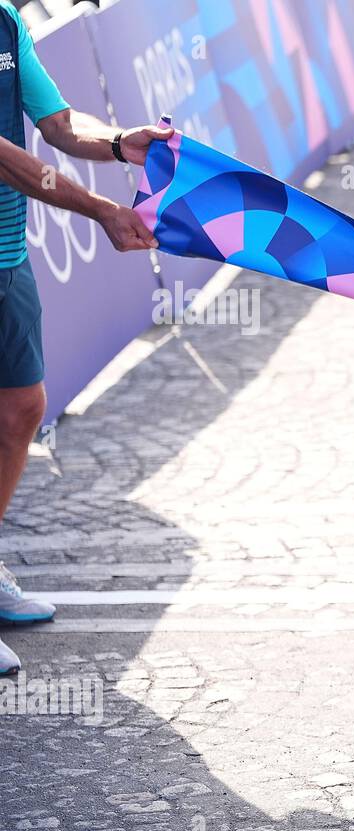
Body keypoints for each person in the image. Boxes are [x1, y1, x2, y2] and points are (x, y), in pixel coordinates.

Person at [0, 0, 173, 675]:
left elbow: (60, 124)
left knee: (22, 409)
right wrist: (101, 207)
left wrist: (116, 142)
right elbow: (10, 161)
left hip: (7, 257)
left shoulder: (7, 21)